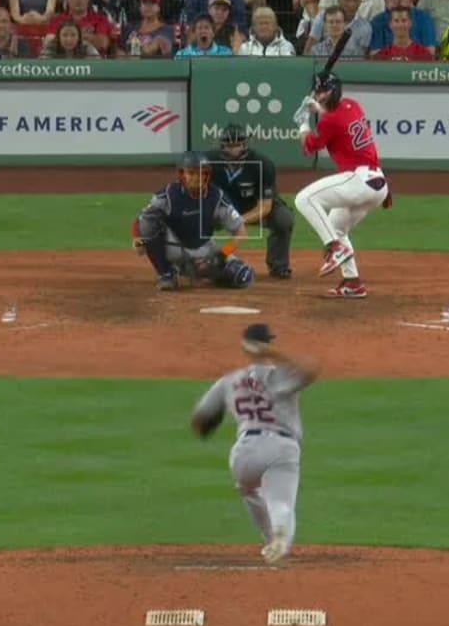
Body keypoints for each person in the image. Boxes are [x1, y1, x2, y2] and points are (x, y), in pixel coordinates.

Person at [189, 322, 320, 566]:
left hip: (244, 452)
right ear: (268, 343)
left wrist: (214, 419)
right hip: (281, 448)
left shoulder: (229, 381)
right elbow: (311, 367)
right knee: (280, 501)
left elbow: (198, 421)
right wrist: (273, 354)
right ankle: (280, 538)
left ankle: (270, 539)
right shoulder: (281, 373)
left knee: (249, 491)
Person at [292, 70, 391, 300]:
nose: (320, 95)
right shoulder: (351, 105)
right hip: (377, 183)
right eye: (318, 91)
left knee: (304, 199)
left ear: (333, 91)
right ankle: (352, 283)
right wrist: (318, 109)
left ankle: (335, 248)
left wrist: (303, 123)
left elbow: (308, 148)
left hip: (358, 181)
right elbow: (334, 116)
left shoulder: (329, 120)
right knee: (336, 226)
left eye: (323, 91)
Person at [132, 151, 253, 291]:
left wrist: (222, 255)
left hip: (205, 249)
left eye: (203, 173)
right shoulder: (169, 193)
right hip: (175, 246)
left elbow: (241, 231)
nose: (198, 178)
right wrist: (137, 238)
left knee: (241, 275)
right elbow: (142, 218)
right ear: (182, 174)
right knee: (149, 221)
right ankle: (166, 274)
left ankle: (193, 271)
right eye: (192, 173)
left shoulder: (216, 196)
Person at [210, 124, 295, 279]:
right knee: (191, 215)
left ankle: (278, 266)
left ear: (245, 144)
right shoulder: (208, 162)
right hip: (222, 208)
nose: (234, 150)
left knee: (284, 219)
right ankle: (196, 261)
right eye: (229, 145)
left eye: (238, 144)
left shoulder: (263, 164)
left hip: (255, 206)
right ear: (222, 145)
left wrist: (236, 220)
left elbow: (265, 207)